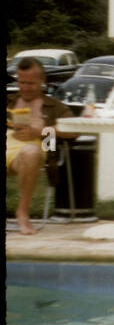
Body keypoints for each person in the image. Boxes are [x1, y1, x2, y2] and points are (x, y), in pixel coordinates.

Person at [6, 58, 77, 235]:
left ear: (42, 81)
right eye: (22, 82)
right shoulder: (9, 101)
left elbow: (73, 130)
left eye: (31, 83)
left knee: (31, 152)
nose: (26, 88)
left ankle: (22, 212)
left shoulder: (53, 106)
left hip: (33, 148)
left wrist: (39, 132)